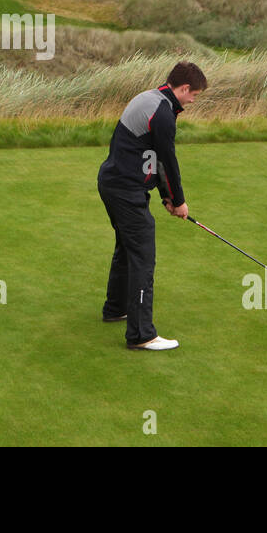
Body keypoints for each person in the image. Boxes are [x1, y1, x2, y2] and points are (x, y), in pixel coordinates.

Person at [97, 61, 207, 350]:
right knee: (143, 257)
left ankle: (115, 308)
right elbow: (167, 162)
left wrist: (165, 197)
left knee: (127, 246)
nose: (194, 99)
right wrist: (179, 201)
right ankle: (141, 334)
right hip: (125, 189)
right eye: (194, 94)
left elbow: (152, 158)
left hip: (114, 183)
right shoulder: (162, 114)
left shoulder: (152, 98)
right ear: (183, 88)